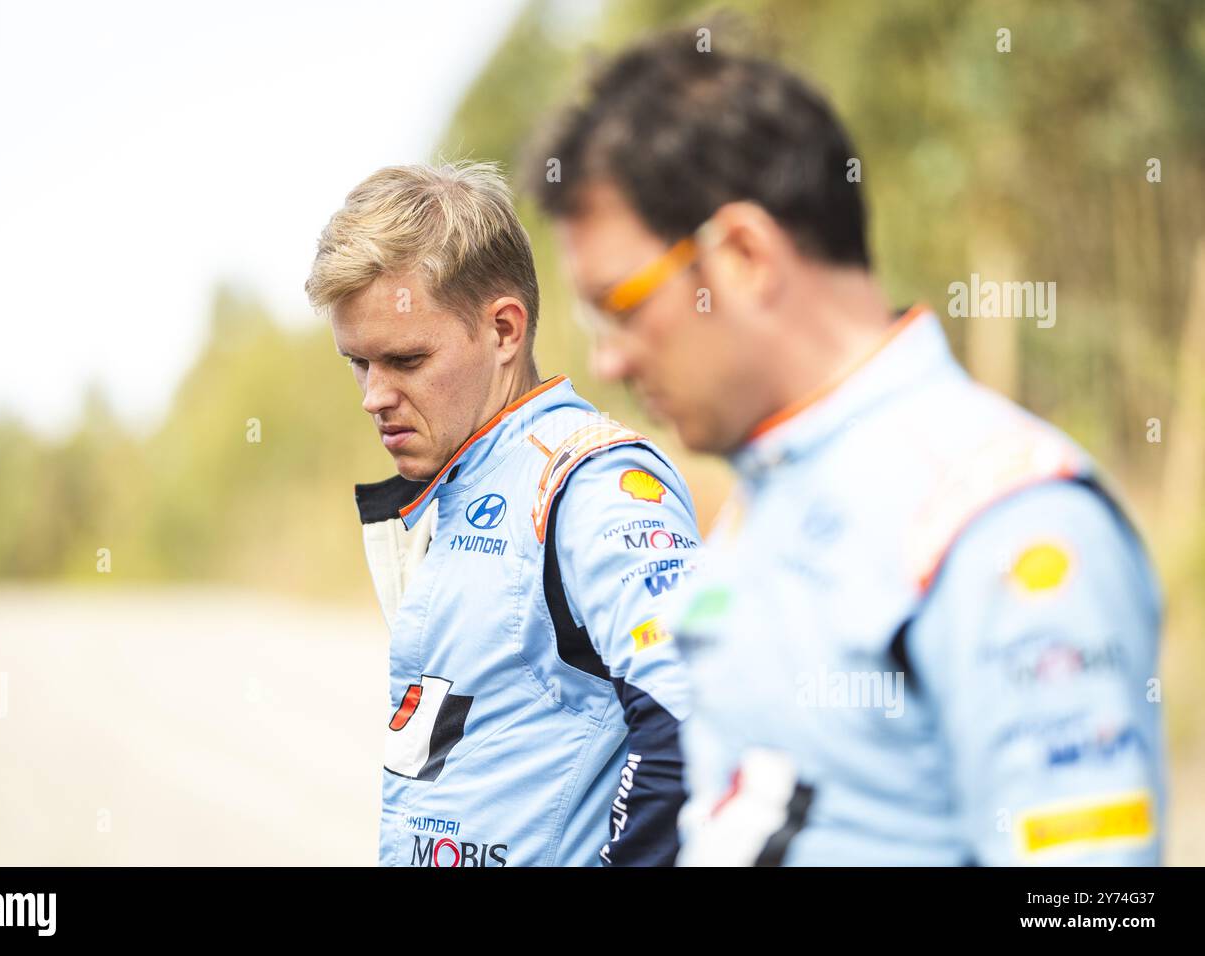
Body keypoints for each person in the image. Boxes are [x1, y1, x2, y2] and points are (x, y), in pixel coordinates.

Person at [529, 30, 1164, 865]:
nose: (607, 359)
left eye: (620, 305)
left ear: (746, 257)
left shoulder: (1005, 524)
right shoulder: (764, 498)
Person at [304, 161, 699, 866]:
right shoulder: (453, 483)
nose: (374, 395)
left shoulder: (592, 481)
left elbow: (691, 706)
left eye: (405, 359)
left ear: (505, 331)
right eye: (357, 363)